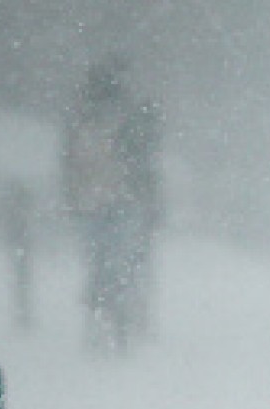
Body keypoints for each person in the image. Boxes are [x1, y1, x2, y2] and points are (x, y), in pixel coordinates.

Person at [61, 58, 162, 353]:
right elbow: (142, 162)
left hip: (95, 200)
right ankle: (115, 316)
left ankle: (104, 315)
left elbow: (71, 160)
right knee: (118, 262)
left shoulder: (84, 117)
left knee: (102, 261)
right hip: (117, 199)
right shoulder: (130, 117)